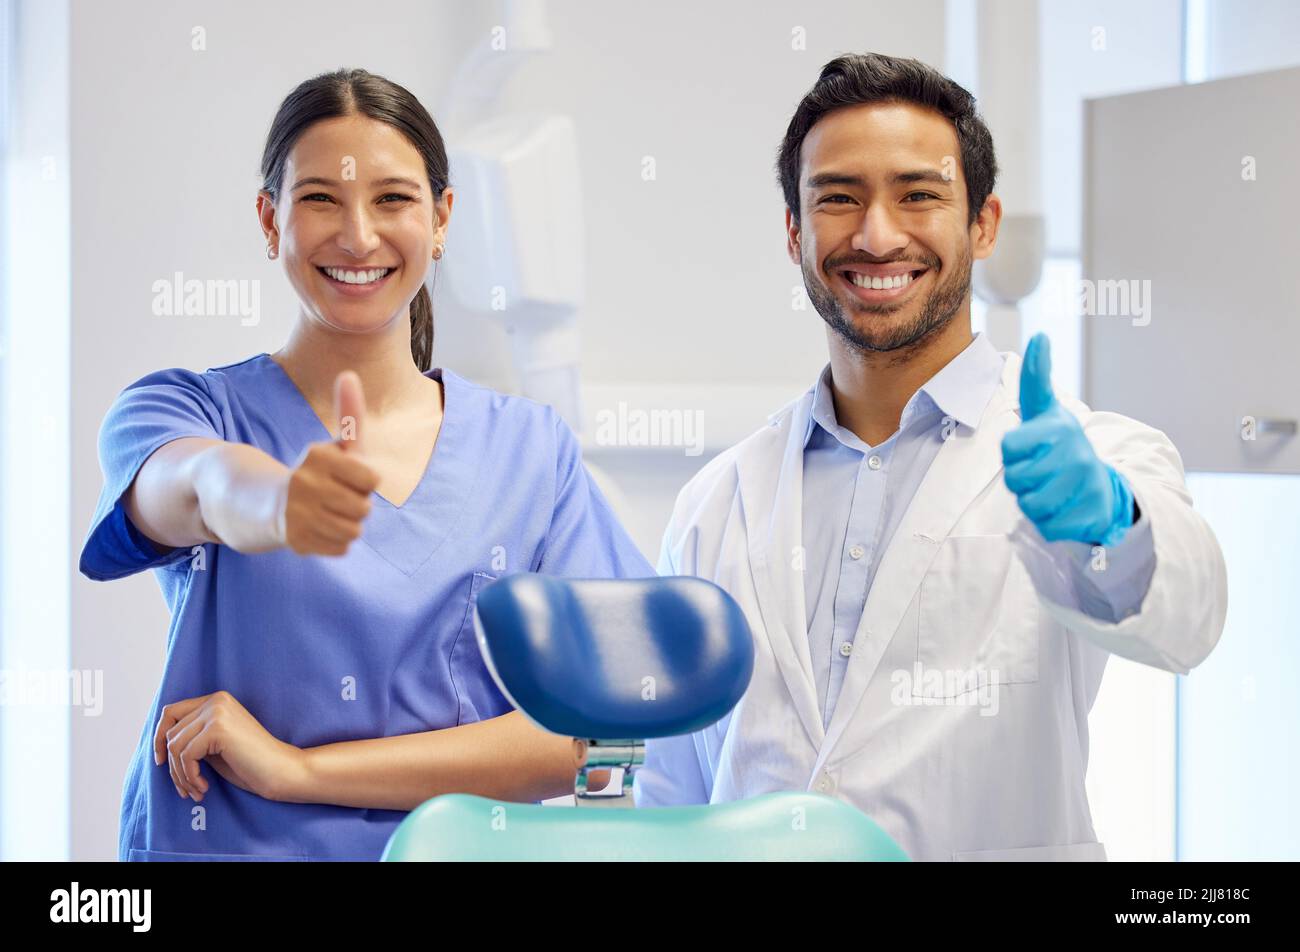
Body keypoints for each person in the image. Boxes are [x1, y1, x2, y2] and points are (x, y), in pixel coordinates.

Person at [633, 52, 1227, 862]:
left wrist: (1109, 527)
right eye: (837, 198)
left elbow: (1188, 622)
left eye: (919, 194)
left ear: (982, 224)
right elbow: (670, 798)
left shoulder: (1093, 456)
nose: (877, 236)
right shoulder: (716, 502)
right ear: (794, 233)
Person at [79, 68, 652, 861]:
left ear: (443, 218)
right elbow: (195, 483)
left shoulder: (530, 451)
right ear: (268, 218)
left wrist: (299, 771)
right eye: (319, 198)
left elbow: (595, 735)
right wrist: (270, 501)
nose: (357, 235)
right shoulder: (185, 411)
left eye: (392, 199)